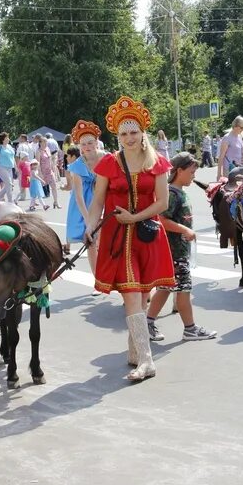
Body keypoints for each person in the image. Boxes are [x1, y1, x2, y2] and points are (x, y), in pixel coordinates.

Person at [85, 95, 175, 382]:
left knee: (142, 292)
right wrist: (90, 226)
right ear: (118, 135)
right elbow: (98, 199)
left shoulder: (157, 162)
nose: (129, 138)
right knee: (131, 294)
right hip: (117, 238)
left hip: (147, 233)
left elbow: (162, 203)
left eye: (133, 131)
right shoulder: (110, 163)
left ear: (142, 131)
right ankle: (147, 360)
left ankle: (135, 350)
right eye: (123, 133)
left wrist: (135, 218)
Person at [146, 152, 217, 342]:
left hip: (176, 252)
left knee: (165, 288)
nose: (194, 175)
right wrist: (184, 229)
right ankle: (190, 329)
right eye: (192, 171)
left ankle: (147, 323)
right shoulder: (171, 193)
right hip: (174, 252)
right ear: (179, 171)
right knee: (183, 289)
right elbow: (161, 219)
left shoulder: (179, 192)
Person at [66, 120, 104, 279]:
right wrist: (89, 220)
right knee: (92, 242)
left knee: (107, 241)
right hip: (86, 205)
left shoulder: (107, 158)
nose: (87, 147)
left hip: (104, 198)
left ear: (96, 143)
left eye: (90, 142)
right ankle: (98, 279)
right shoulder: (77, 166)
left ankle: (110, 276)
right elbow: (79, 196)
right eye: (83, 144)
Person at [37, 135, 61, 208]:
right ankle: (33, 203)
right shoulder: (38, 151)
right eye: (44, 142)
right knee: (38, 189)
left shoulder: (47, 149)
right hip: (42, 172)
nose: (45, 143)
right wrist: (40, 174)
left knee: (54, 186)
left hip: (49, 171)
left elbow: (50, 160)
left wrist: (53, 168)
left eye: (46, 142)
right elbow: (38, 163)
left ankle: (56, 202)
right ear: (40, 143)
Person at [0, 132, 16, 203]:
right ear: (3, 139)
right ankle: (10, 202)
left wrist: (16, 167)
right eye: (6, 138)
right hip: (2, 167)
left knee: (8, 185)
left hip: (10, 168)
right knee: (9, 184)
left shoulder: (9, 147)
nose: (8, 139)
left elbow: (13, 157)